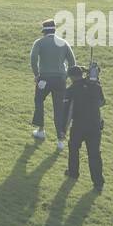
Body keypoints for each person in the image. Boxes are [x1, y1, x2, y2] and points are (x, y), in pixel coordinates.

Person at [29, 18, 76, 149]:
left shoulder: (39, 42)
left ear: (44, 31)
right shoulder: (63, 43)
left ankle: (41, 130)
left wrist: (37, 75)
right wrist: (65, 76)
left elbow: (33, 60)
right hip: (60, 80)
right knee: (59, 109)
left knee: (39, 101)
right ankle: (60, 140)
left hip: (44, 79)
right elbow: (72, 63)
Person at [63, 65, 105, 191]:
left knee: (74, 148)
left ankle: (73, 172)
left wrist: (62, 128)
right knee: (94, 154)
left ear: (71, 77)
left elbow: (66, 111)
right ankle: (98, 183)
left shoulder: (71, 90)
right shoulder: (95, 86)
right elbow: (102, 102)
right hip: (95, 125)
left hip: (78, 126)